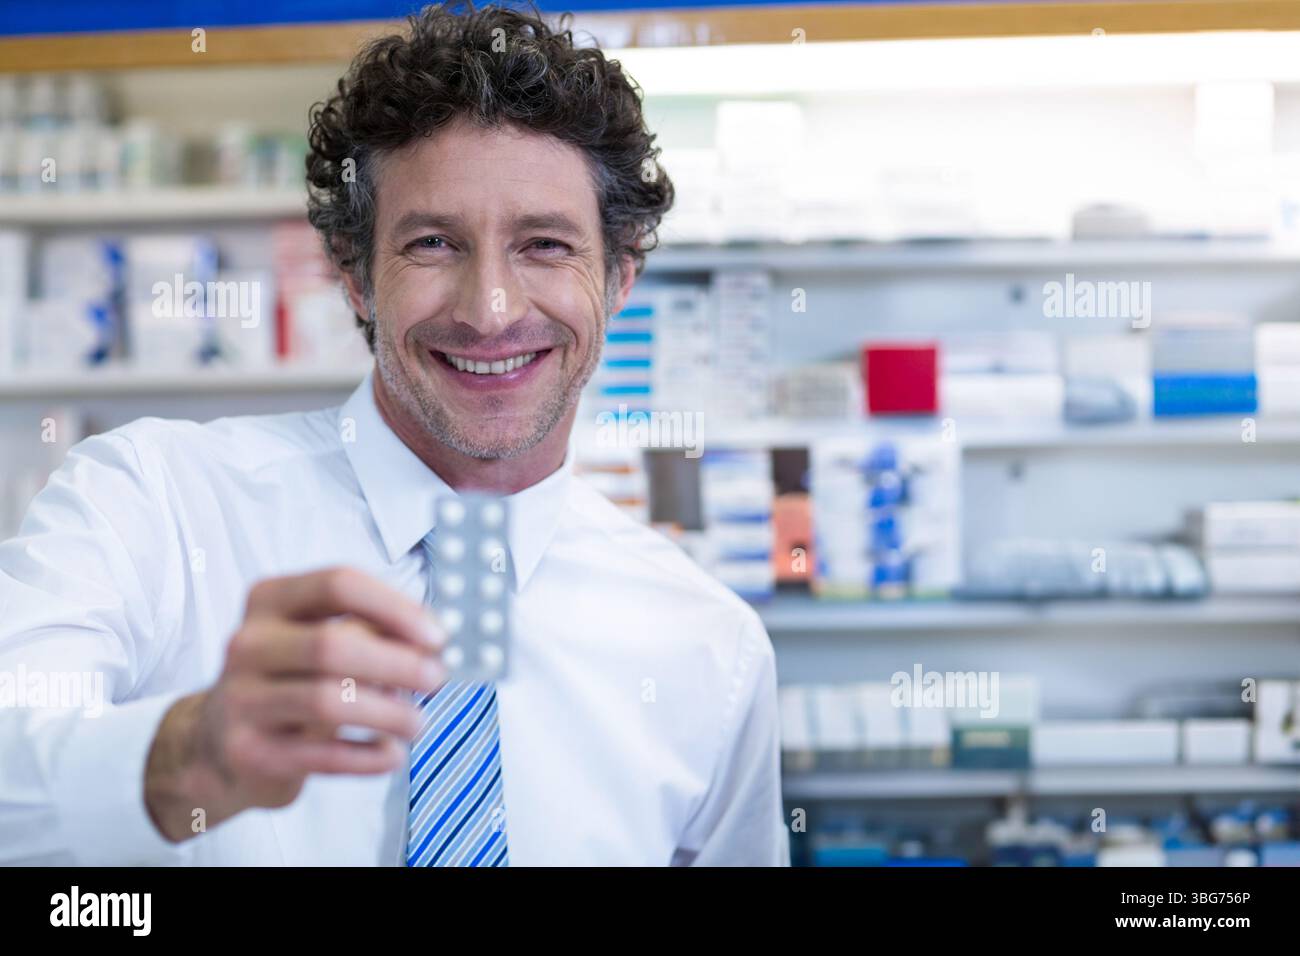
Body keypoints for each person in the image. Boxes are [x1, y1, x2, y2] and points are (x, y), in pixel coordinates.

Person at [0, 2, 788, 866]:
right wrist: (183, 754)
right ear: (355, 278)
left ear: (621, 275)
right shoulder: (151, 501)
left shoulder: (709, 648)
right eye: (433, 243)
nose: (491, 311)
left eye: (546, 246)